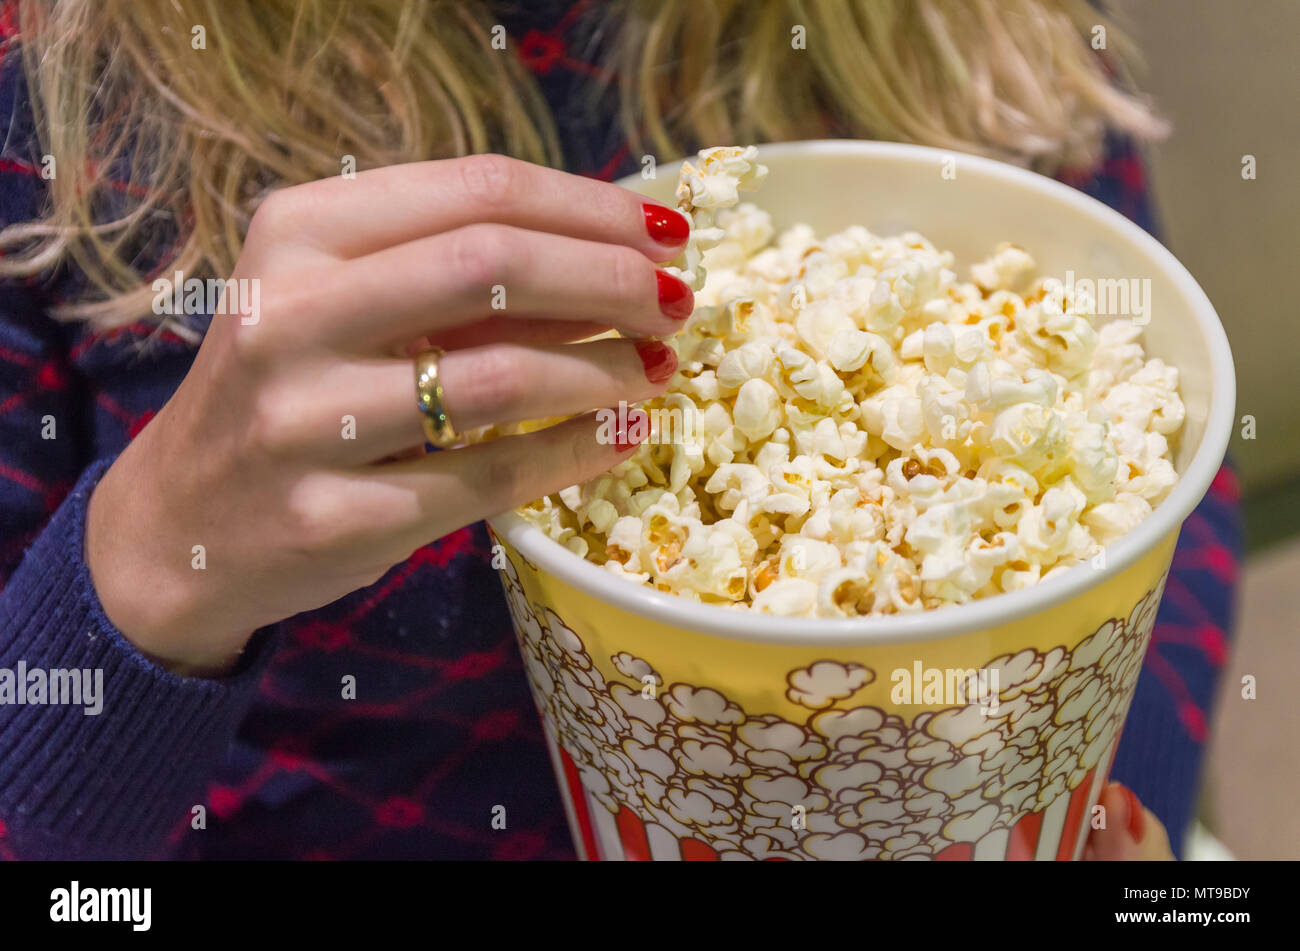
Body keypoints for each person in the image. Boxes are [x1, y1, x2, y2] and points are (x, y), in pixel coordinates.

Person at [0, 0, 1235, 861]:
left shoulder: (960, 23)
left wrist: (1108, 823)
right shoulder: (52, 95)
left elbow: (1159, 460)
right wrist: (158, 551)